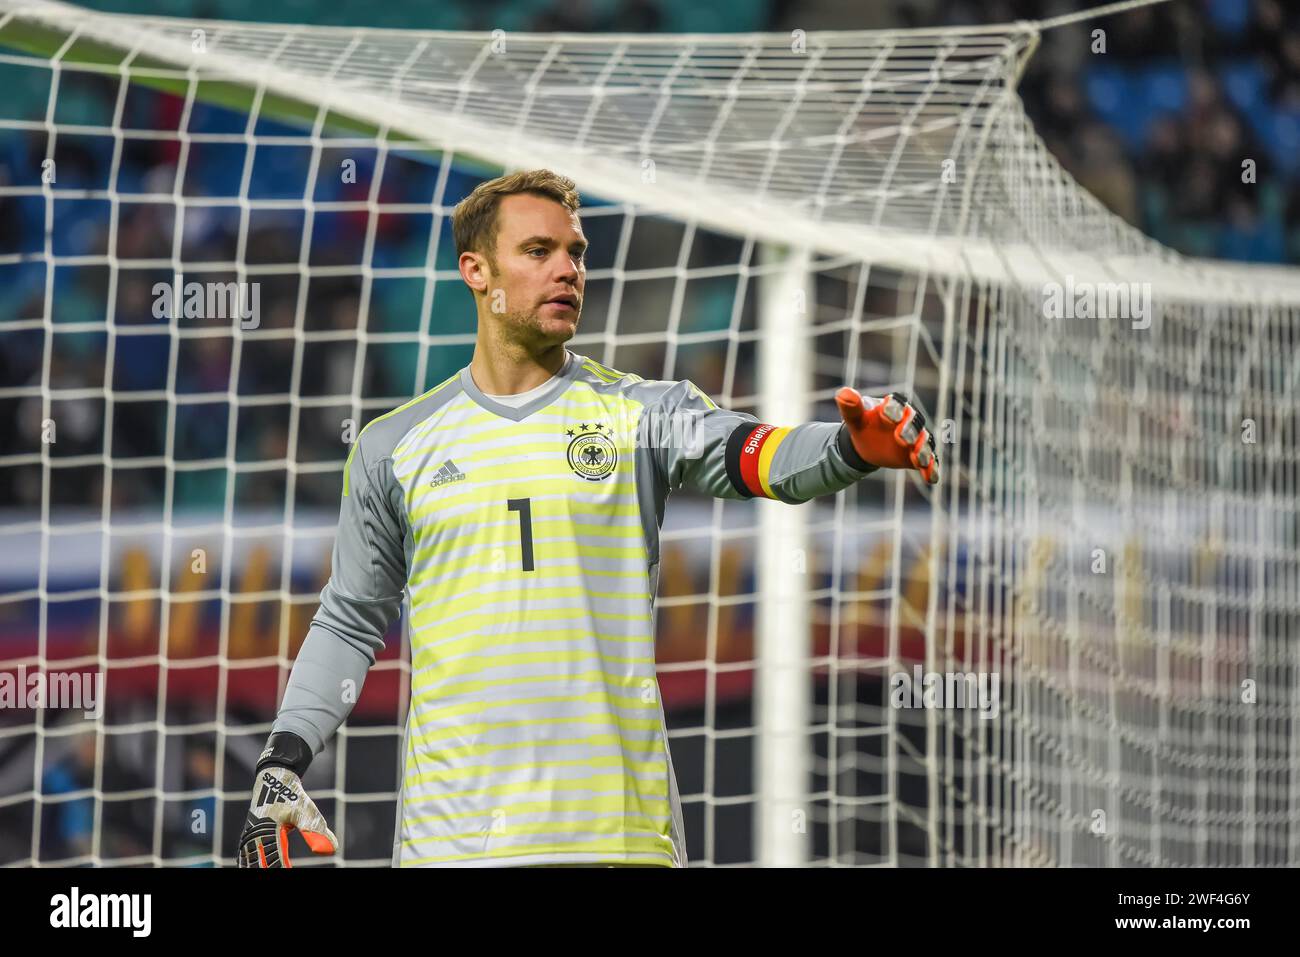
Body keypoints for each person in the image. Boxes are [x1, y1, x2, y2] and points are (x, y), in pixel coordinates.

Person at [237, 169, 937, 869]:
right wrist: (284, 757)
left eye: (576, 252)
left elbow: (754, 454)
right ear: (476, 271)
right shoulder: (394, 446)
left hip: (615, 840)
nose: (568, 269)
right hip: (452, 846)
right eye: (538, 251)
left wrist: (847, 448)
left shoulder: (640, 413)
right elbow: (350, 619)